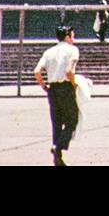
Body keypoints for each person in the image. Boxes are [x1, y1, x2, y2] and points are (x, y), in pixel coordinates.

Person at [35, 25, 81, 167]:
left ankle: (58, 159)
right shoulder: (72, 50)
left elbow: (37, 71)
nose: (74, 39)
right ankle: (58, 147)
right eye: (72, 36)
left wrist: (44, 86)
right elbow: (69, 71)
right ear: (67, 36)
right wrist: (74, 84)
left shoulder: (49, 52)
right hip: (66, 88)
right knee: (72, 121)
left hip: (53, 90)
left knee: (56, 123)